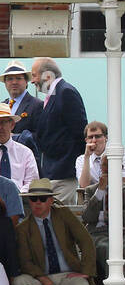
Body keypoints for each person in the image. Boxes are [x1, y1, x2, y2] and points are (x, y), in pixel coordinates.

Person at [14, 178, 99, 285]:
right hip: (41, 276)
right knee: (20, 282)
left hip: (68, 274)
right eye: (33, 199)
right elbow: (25, 261)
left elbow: (86, 240)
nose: (37, 203)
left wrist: (85, 272)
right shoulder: (23, 228)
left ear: (51, 200)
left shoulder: (64, 214)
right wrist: (43, 278)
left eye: (43, 199)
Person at [75, 120, 125, 278]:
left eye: (98, 136)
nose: (94, 140)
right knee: (105, 247)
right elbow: (84, 187)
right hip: (98, 232)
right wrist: (101, 188)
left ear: (106, 137)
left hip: (124, 233)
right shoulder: (82, 162)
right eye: (90, 137)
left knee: (123, 248)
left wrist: (102, 215)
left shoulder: (119, 155)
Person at [30, 57, 87, 205]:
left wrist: (73, 165)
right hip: (54, 173)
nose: (32, 81)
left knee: (60, 221)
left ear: (48, 76)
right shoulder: (56, 94)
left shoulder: (66, 92)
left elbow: (80, 132)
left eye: (34, 75)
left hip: (65, 174)